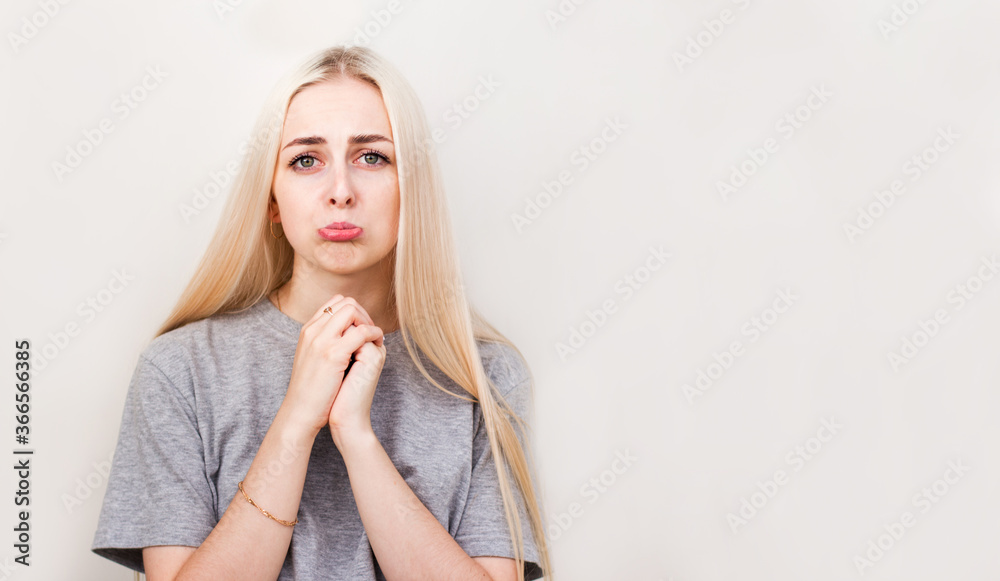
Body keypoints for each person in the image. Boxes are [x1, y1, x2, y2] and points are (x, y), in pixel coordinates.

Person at [90, 44, 552, 581]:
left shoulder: (486, 378)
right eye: (306, 160)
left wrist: (357, 437)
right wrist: (296, 422)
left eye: (372, 157)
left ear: (413, 190)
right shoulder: (179, 370)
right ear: (271, 200)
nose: (340, 192)